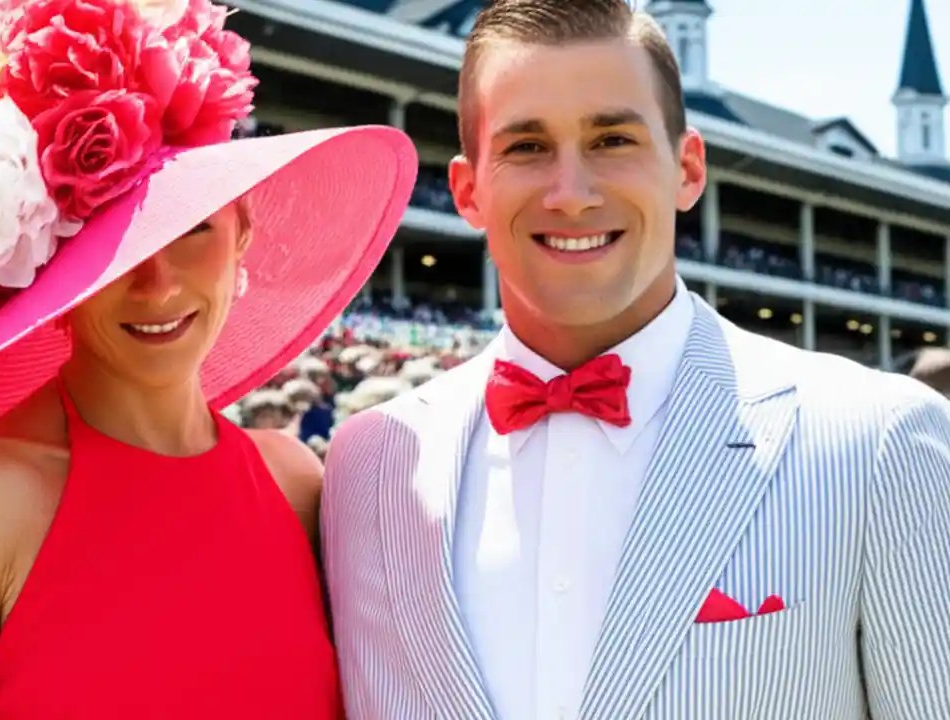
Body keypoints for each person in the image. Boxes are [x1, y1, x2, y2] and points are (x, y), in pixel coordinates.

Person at [321, 1, 950, 718]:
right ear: (468, 191)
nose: (571, 194)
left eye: (612, 139)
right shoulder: (368, 463)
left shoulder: (877, 441)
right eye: (527, 147)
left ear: (687, 169)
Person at [0, 0, 417, 717]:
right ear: (46, 256)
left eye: (193, 227)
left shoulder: (296, 483)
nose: (158, 282)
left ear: (242, 230)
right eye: (106, 242)